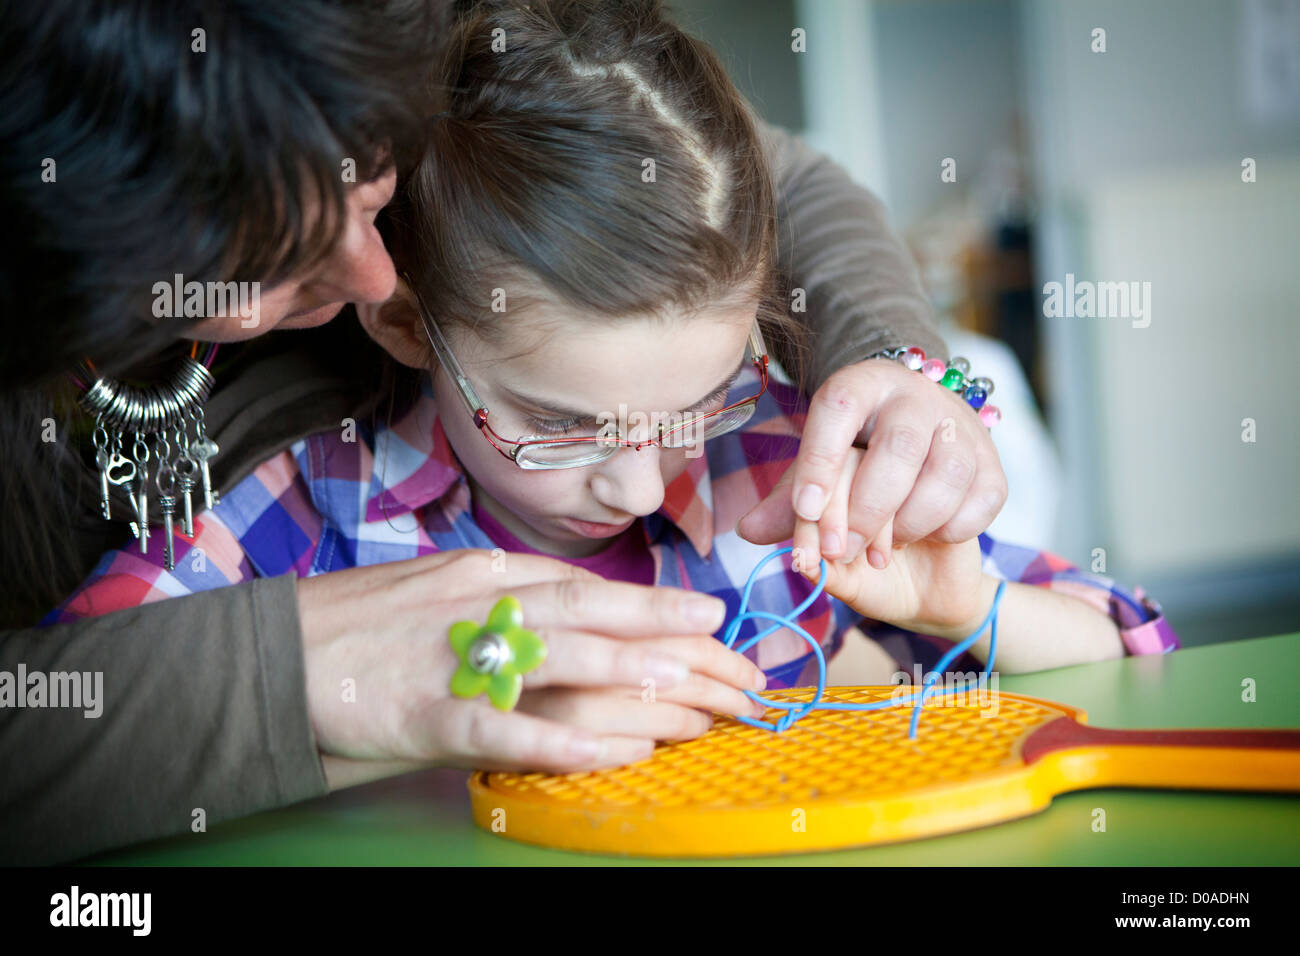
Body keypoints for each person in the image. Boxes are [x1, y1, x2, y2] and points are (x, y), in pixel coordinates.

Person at [46, 0, 1179, 850]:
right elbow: (72, 719)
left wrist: (963, 602)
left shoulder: (778, 469)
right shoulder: (301, 514)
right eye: (557, 421)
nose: (643, 489)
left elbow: (1131, 651)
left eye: (696, 403)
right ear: (404, 327)